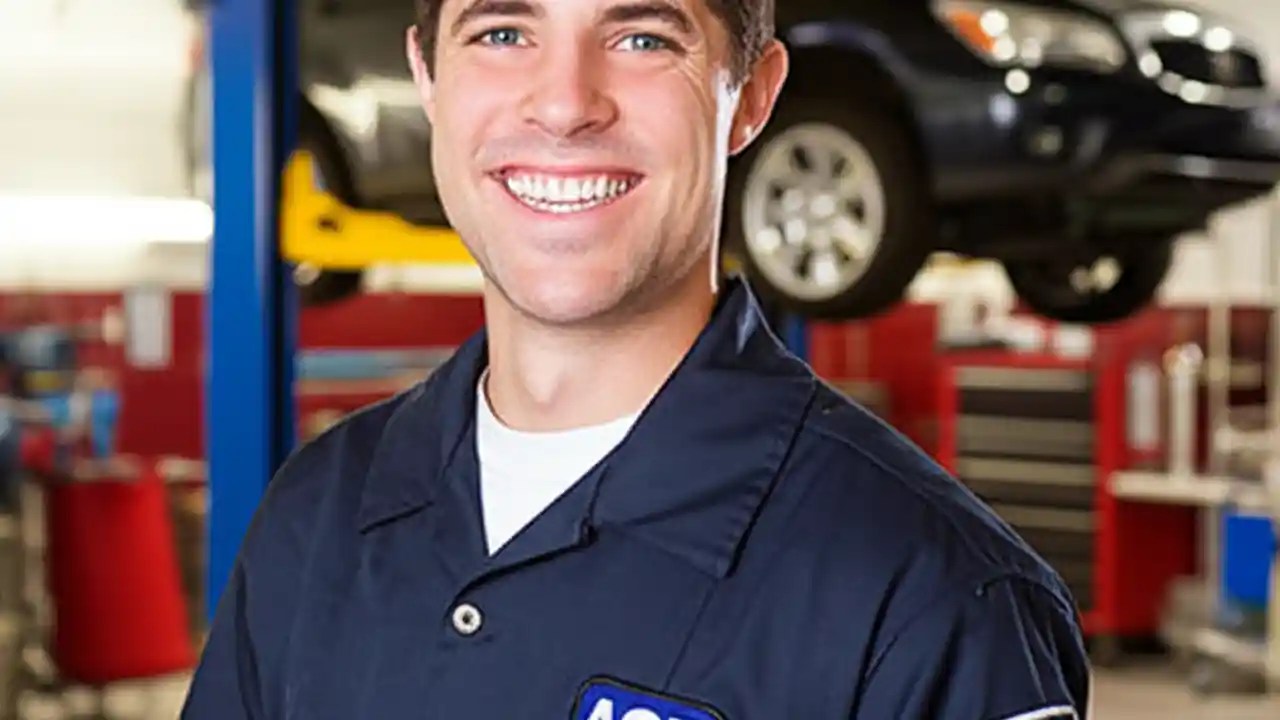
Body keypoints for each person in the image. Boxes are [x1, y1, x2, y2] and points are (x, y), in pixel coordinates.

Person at [182, 0, 1092, 717]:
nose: (566, 102)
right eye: (503, 31)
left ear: (754, 94)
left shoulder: (935, 599)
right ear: (428, 76)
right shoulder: (317, 516)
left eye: (644, 38)